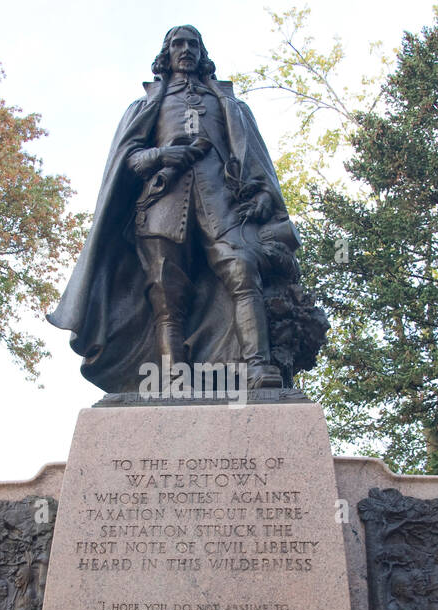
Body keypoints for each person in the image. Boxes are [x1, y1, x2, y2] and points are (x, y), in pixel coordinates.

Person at [47, 24, 300, 391]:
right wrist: (166, 153)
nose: (186, 49)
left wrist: (264, 196)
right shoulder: (149, 103)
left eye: (193, 44)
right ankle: (173, 378)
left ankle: (258, 367)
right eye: (178, 44)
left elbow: (255, 160)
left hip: (224, 208)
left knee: (243, 273)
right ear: (166, 54)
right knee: (166, 295)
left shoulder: (228, 103)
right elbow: (128, 159)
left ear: (202, 53)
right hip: (162, 207)